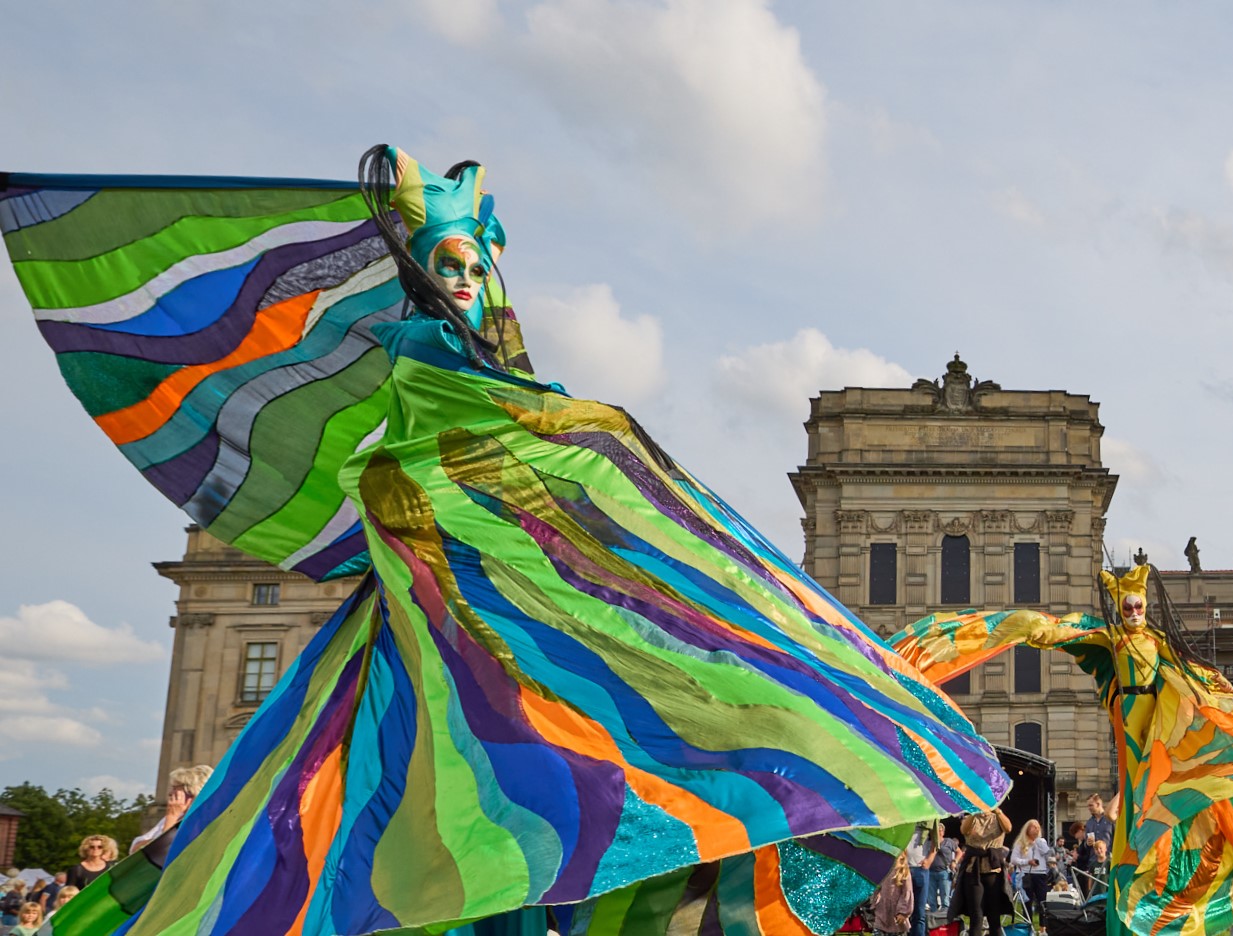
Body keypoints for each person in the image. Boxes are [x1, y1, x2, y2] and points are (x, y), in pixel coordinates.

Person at [0, 154, 1012, 935]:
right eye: (447, 265)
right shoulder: (420, 393)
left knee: (535, 836)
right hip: (426, 650)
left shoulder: (521, 400)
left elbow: (571, 482)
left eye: (477, 267)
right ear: (417, 275)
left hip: (515, 653)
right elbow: (418, 494)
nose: (467, 285)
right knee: (338, 845)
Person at [888, 565, 1233, 936]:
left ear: (1144, 604)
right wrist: (1027, 626)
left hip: (1159, 735)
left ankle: (1159, 901)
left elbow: (1194, 677)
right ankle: (1136, 906)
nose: (1132, 612)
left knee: (1173, 806)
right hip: (1130, 733)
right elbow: (1063, 633)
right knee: (1141, 816)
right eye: (1125, 604)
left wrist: (1220, 696)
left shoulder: (1158, 643)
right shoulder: (1108, 639)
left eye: (1137, 604)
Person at [953, 806, 1012, 936]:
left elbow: (1008, 828)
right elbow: (964, 830)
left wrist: (997, 811)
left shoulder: (998, 818)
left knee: (994, 917)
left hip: (993, 870)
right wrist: (974, 812)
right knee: (976, 916)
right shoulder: (970, 818)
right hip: (973, 871)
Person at [132, 765, 214, 851]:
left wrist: (171, 819)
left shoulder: (205, 820)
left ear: (191, 791)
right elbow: (135, 849)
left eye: (175, 788)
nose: (170, 793)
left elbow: (163, 851)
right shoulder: (173, 817)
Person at [1011, 819, 1051, 930]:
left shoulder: (1041, 841)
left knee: (1042, 901)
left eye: (1038, 827)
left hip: (1040, 874)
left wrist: (1037, 840)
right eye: (1033, 826)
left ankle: (1043, 927)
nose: (1036, 829)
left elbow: (1047, 852)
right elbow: (1013, 859)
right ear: (1027, 829)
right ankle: (1027, 927)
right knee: (1027, 902)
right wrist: (1027, 862)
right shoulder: (1021, 843)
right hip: (1025, 874)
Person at [871, 852, 916, 936]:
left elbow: (907, 892)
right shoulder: (882, 869)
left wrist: (903, 912)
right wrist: (875, 903)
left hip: (896, 915)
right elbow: (876, 888)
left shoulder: (903, 872)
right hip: (882, 913)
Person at [905, 823, 937, 936]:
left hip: (920, 868)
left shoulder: (929, 812)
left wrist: (929, 859)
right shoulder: (899, 810)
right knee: (898, 910)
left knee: (919, 912)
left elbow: (936, 840)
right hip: (901, 869)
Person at [930, 823, 957, 914]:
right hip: (931, 871)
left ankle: (945, 916)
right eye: (936, 830)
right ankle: (933, 916)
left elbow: (959, 852)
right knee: (931, 897)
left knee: (945, 896)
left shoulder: (948, 842)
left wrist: (954, 861)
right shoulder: (929, 842)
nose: (938, 832)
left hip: (944, 871)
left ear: (943, 832)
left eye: (940, 830)